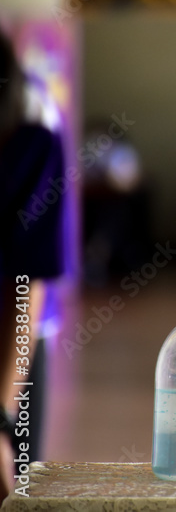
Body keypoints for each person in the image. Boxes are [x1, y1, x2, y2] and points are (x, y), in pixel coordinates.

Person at [0, 29, 66, 499]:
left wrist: (0, 415)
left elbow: (26, 282)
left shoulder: (32, 134)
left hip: (14, 335)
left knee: (16, 479)